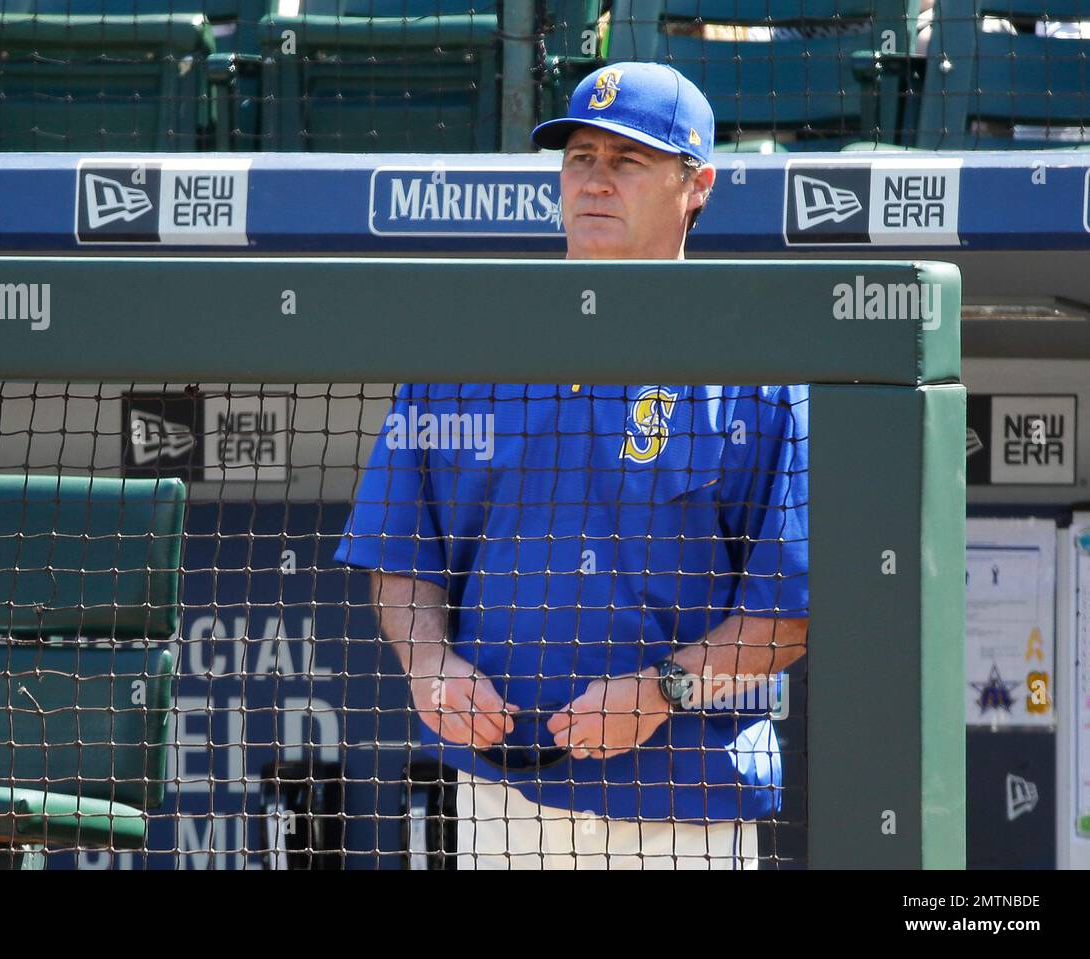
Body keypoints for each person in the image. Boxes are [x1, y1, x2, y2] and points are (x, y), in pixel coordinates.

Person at [335, 61, 809, 870]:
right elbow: (401, 555)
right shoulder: (467, 355)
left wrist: (665, 690)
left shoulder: (757, 370)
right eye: (579, 158)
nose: (595, 181)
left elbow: (787, 611)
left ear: (696, 186)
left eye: (627, 162)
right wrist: (427, 662)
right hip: (500, 796)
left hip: (682, 805)